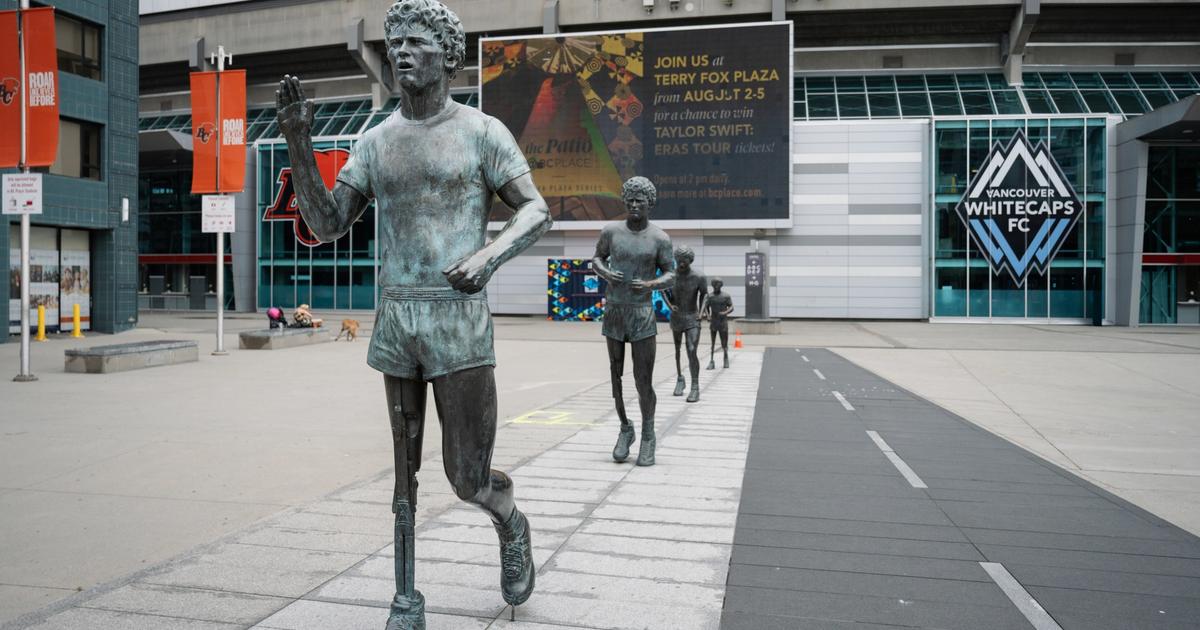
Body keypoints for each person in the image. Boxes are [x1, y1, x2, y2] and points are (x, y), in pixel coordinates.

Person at [275, 1, 552, 627]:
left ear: (448, 56)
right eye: (394, 42)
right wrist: (296, 138)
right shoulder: (374, 141)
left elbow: (535, 211)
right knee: (404, 477)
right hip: (398, 320)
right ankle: (406, 600)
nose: (401, 52)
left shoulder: (483, 132)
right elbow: (324, 226)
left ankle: (506, 514)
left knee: (465, 476)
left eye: (417, 42)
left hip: (459, 322)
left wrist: (489, 256)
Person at [592, 176, 674, 466]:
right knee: (615, 376)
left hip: (641, 313)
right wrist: (605, 272)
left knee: (643, 380)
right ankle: (626, 428)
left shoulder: (660, 238)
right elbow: (597, 259)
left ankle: (648, 434)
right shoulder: (611, 232)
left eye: (640, 200)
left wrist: (651, 284)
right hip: (614, 310)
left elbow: (671, 273)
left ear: (650, 204)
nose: (635, 204)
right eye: (630, 199)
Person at [663, 245, 706, 402]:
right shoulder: (671, 276)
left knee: (691, 349)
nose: (681, 263)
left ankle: (695, 386)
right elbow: (662, 290)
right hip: (676, 317)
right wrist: (669, 305)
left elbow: (705, 295)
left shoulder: (698, 276)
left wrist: (701, 313)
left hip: (693, 317)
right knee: (677, 350)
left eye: (685, 261)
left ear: (690, 260)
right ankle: (680, 379)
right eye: (679, 260)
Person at [702, 277, 734, 369]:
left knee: (724, 342)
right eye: (715, 284)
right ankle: (711, 361)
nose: (717, 286)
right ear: (712, 285)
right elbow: (705, 307)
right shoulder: (710, 296)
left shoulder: (726, 296)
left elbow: (731, 307)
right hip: (714, 322)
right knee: (712, 343)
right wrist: (707, 316)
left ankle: (726, 357)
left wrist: (725, 312)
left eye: (718, 284)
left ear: (721, 285)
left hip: (723, 322)